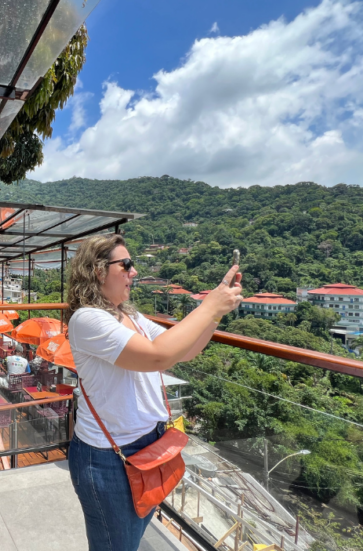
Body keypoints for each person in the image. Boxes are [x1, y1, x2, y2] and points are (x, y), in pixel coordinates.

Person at [66, 234, 242, 551]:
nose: (134, 272)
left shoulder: (130, 316)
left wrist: (216, 314)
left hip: (147, 445)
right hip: (109, 457)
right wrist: (209, 304)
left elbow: (185, 350)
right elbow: (158, 356)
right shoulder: (87, 319)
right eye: (127, 264)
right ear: (97, 270)